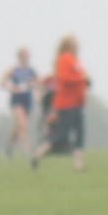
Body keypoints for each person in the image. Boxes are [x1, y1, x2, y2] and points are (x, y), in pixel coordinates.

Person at [33, 36, 88, 172]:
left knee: (80, 134)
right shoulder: (63, 59)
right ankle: (37, 154)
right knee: (61, 135)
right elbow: (64, 78)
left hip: (77, 102)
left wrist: (85, 80)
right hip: (65, 103)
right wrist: (81, 78)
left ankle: (78, 165)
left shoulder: (75, 61)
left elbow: (81, 77)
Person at [0, 48, 37, 159]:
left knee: (18, 127)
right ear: (20, 57)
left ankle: (8, 147)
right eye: (24, 55)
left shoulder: (31, 71)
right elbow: (1, 83)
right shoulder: (13, 70)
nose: (26, 58)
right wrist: (12, 88)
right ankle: (28, 152)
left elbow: (38, 84)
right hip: (17, 100)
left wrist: (34, 87)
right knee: (22, 125)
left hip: (27, 100)